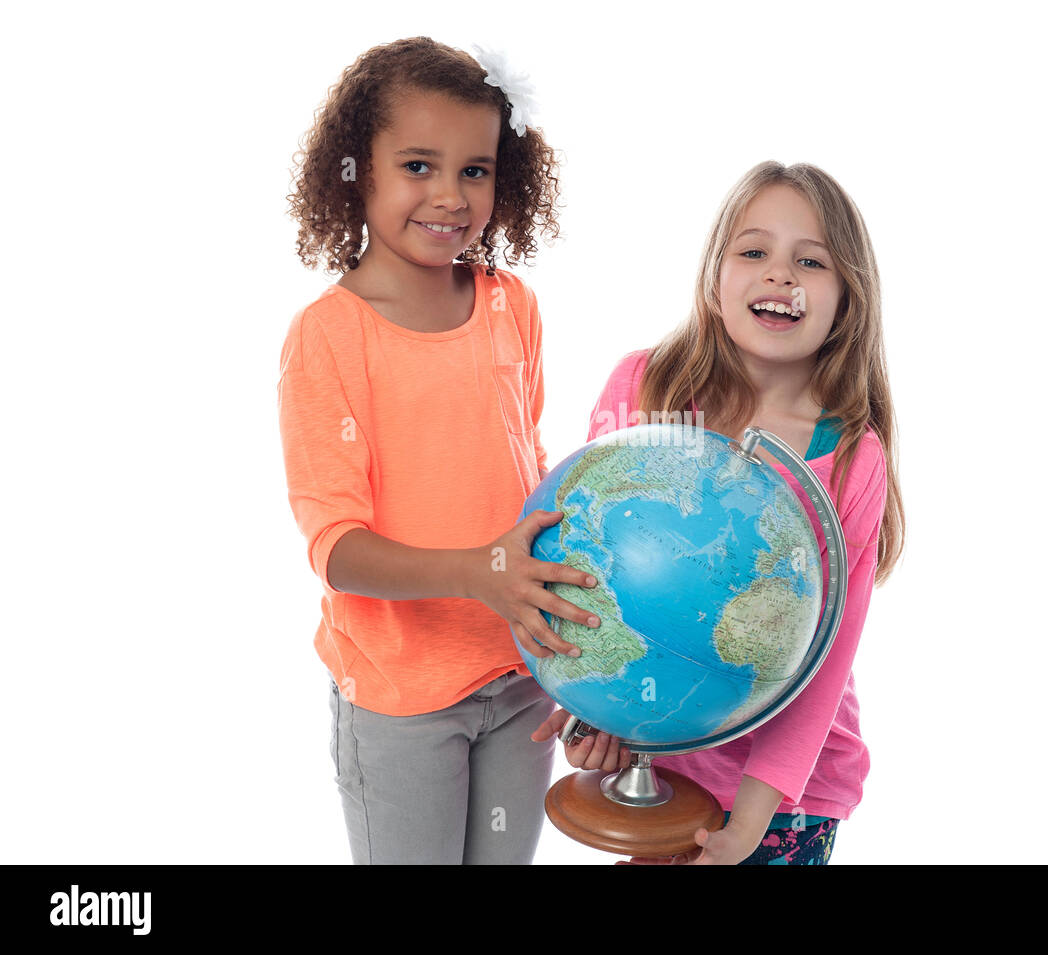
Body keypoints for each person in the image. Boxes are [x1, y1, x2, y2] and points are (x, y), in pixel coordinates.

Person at [279, 37, 601, 865]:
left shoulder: (510, 305)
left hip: (522, 672)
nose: (449, 196)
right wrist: (476, 573)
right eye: (418, 165)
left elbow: (528, 473)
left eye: (475, 170)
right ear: (359, 170)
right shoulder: (328, 337)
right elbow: (338, 550)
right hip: (400, 697)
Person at [533, 161, 906, 864]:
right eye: (753, 250)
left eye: (811, 261)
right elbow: (584, 564)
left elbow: (826, 664)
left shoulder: (855, 457)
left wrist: (748, 827)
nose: (779, 275)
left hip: (784, 800)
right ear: (715, 276)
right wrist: (593, 711)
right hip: (663, 761)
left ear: (847, 299)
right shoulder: (643, 386)